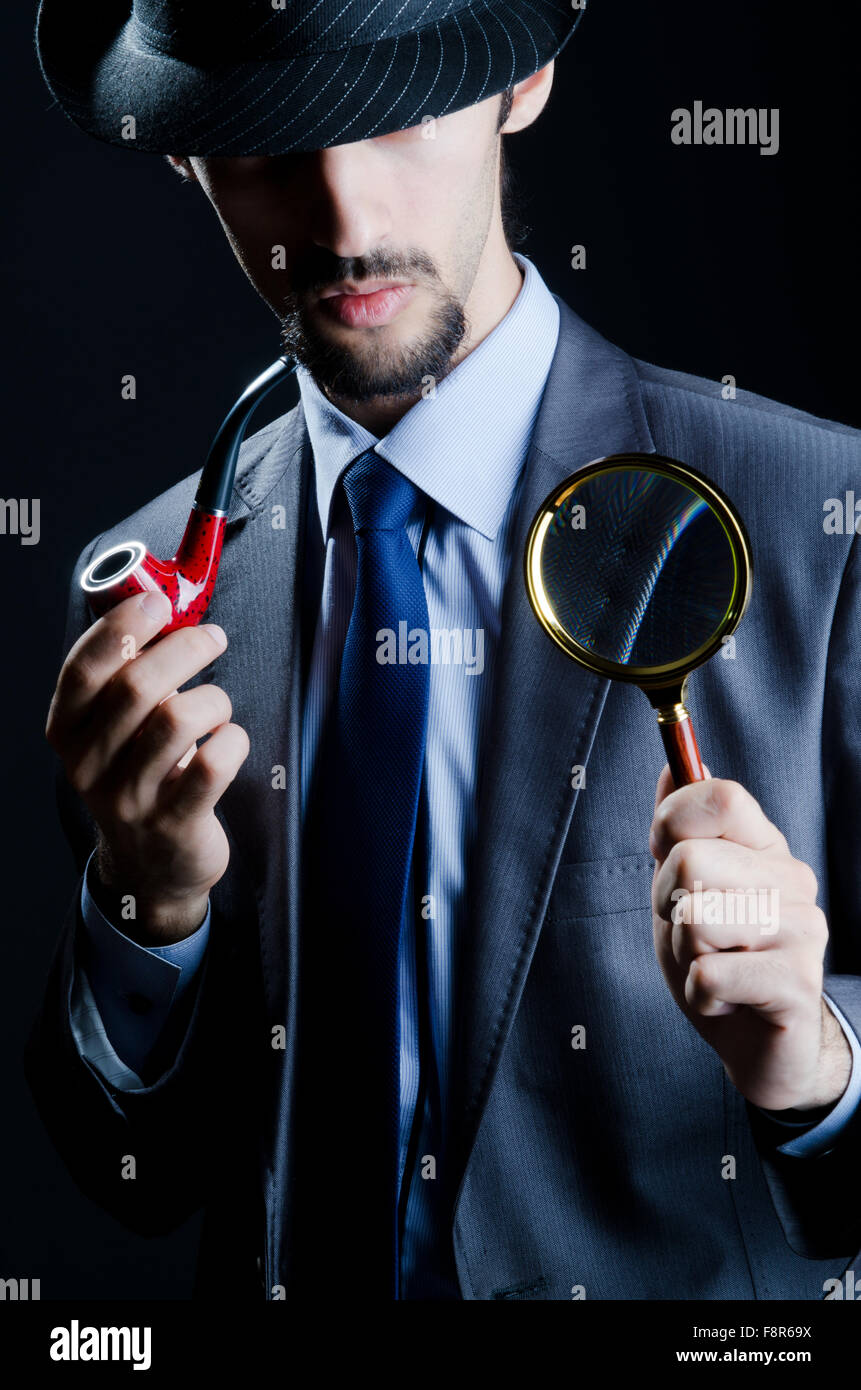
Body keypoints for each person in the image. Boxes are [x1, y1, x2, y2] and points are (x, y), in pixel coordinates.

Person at [27, 0, 861, 1300]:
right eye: (264, 138)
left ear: (520, 80)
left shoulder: (825, 522)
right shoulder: (144, 612)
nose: (347, 223)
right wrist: (150, 907)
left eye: (399, 112)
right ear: (182, 151)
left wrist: (814, 1064)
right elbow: (127, 1168)